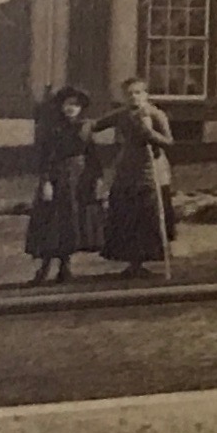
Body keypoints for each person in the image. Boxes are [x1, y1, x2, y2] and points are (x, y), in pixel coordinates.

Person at [88, 76, 176, 280]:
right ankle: (132, 262)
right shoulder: (121, 114)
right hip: (127, 170)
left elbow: (169, 142)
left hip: (151, 169)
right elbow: (96, 125)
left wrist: (149, 133)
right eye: (129, 94)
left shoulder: (156, 114)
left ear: (146, 95)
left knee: (148, 215)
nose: (134, 97)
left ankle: (146, 259)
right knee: (128, 215)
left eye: (138, 93)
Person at [22, 85, 100, 284]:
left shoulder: (86, 127)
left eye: (75, 105)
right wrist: (46, 182)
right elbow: (45, 157)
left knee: (70, 221)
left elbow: (93, 156)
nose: (71, 108)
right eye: (68, 104)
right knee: (50, 220)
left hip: (78, 178)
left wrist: (96, 179)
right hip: (57, 176)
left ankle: (65, 267)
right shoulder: (52, 128)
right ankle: (44, 268)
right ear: (61, 106)